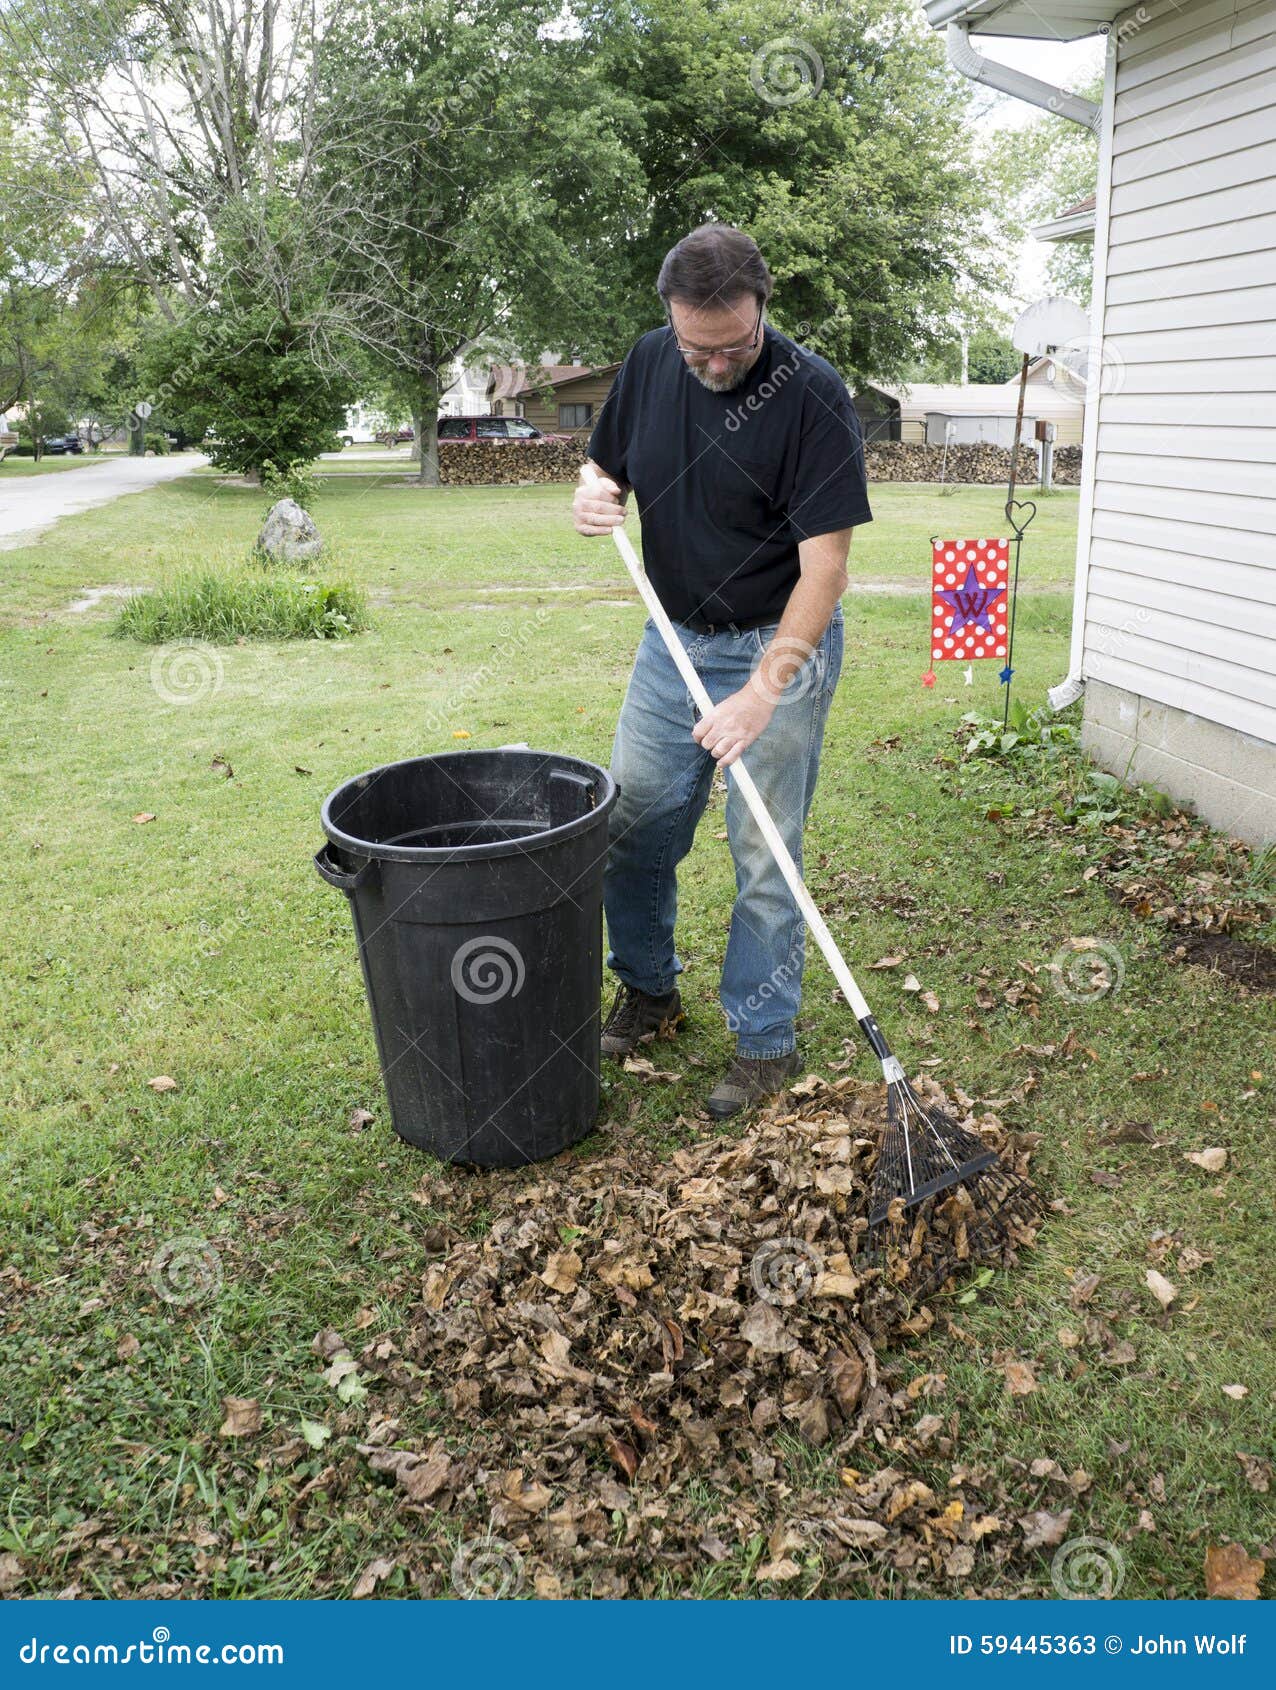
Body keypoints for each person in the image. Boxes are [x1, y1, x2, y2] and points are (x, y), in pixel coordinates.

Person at [572, 223, 872, 1118]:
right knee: (631, 821)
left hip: (777, 641)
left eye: (731, 345)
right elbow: (605, 465)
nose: (710, 363)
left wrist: (758, 694)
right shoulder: (650, 360)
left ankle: (764, 1041)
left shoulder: (814, 397)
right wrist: (593, 491)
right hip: (672, 640)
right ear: (670, 323)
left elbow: (825, 571)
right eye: (694, 346)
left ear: (762, 312)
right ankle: (651, 992)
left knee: (763, 849)